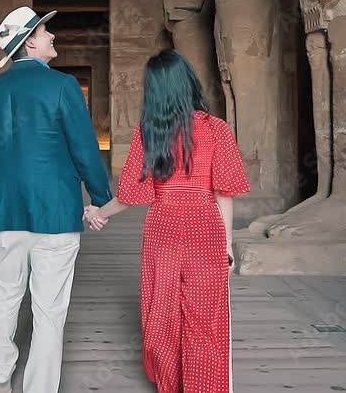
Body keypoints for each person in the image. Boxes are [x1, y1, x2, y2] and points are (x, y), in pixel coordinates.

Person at [84, 49, 250, 393]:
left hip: (164, 228)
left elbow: (130, 194)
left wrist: (98, 213)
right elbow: (224, 192)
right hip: (206, 226)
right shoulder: (217, 129)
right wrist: (227, 244)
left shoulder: (149, 131)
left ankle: (170, 385)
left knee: (162, 313)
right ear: (189, 82)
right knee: (205, 317)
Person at [0, 6, 113, 393]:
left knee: (5, 294)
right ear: (30, 42)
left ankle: (0, 377)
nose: (52, 36)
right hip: (56, 211)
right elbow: (84, 149)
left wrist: (4, 187)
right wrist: (101, 198)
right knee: (49, 309)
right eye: (45, 31)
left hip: (4, 211)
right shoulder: (63, 86)